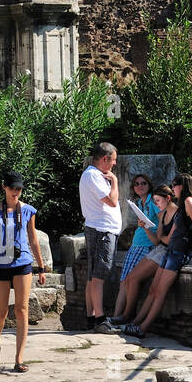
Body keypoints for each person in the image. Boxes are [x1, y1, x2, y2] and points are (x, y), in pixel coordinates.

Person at [122, 174, 192, 339]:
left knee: (160, 291)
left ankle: (142, 329)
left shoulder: (189, 202)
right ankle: (135, 323)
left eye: (175, 184)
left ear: (183, 186)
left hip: (180, 252)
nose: (173, 188)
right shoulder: (181, 204)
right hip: (170, 250)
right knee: (153, 289)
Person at [0, 172, 46, 372]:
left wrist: (40, 267)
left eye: (19, 188)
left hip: (22, 263)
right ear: (4, 187)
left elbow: (33, 239)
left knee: (22, 309)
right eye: (12, 188)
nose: (15, 192)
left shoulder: (28, 211)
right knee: (1, 312)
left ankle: (19, 357)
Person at [109, 183, 175, 327]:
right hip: (159, 249)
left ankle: (131, 319)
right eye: (155, 201)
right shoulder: (163, 214)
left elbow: (166, 240)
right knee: (130, 279)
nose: (156, 204)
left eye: (157, 201)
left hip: (167, 251)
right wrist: (146, 228)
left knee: (153, 290)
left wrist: (162, 237)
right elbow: (159, 239)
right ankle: (127, 316)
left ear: (168, 198)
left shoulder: (175, 213)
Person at [79, 141, 121, 332]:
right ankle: (100, 320)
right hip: (102, 231)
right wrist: (115, 181)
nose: (114, 165)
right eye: (113, 160)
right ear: (105, 158)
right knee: (99, 276)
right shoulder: (93, 176)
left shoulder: (92, 175)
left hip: (99, 229)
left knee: (93, 276)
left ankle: (91, 317)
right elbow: (112, 201)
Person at [110, 174, 157, 324]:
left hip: (145, 245)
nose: (140, 186)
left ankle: (121, 316)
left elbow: (163, 218)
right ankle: (117, 316)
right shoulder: (140, 203)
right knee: (124, 281)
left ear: (149, 185)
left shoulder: (153, 201)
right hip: (136, 245)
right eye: (137, 184)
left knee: (128, 281)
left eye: (143, 183)